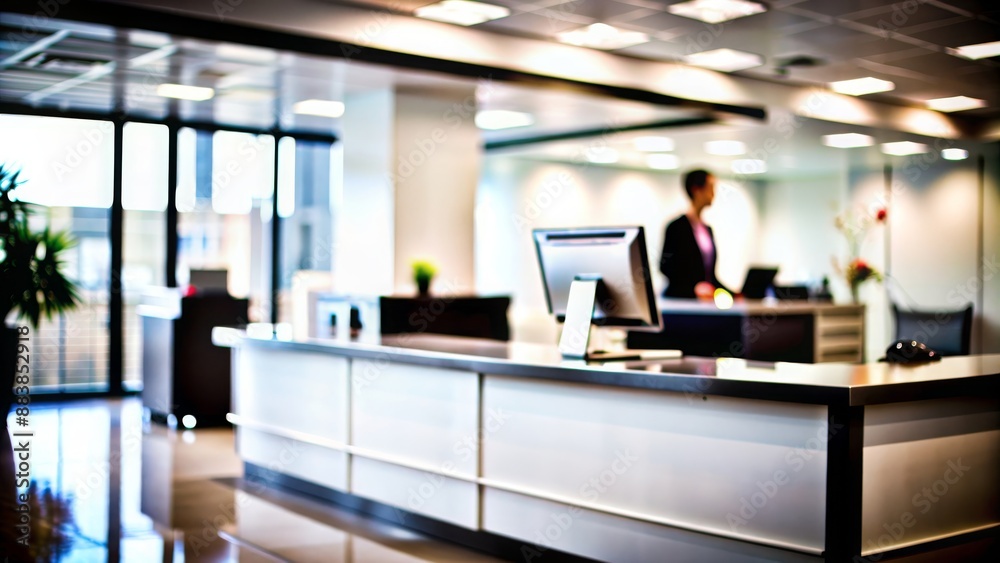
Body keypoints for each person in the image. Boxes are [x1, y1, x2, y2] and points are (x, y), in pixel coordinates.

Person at [659, 169, 731, 299]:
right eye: (711, 188)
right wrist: (693, 289)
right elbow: (666, 268)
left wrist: (733, 293)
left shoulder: (707, 229)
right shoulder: (676, 227)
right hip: (680, 300)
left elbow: (709, 276)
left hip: (704, 301)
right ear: (696, 189)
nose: (713, 194)